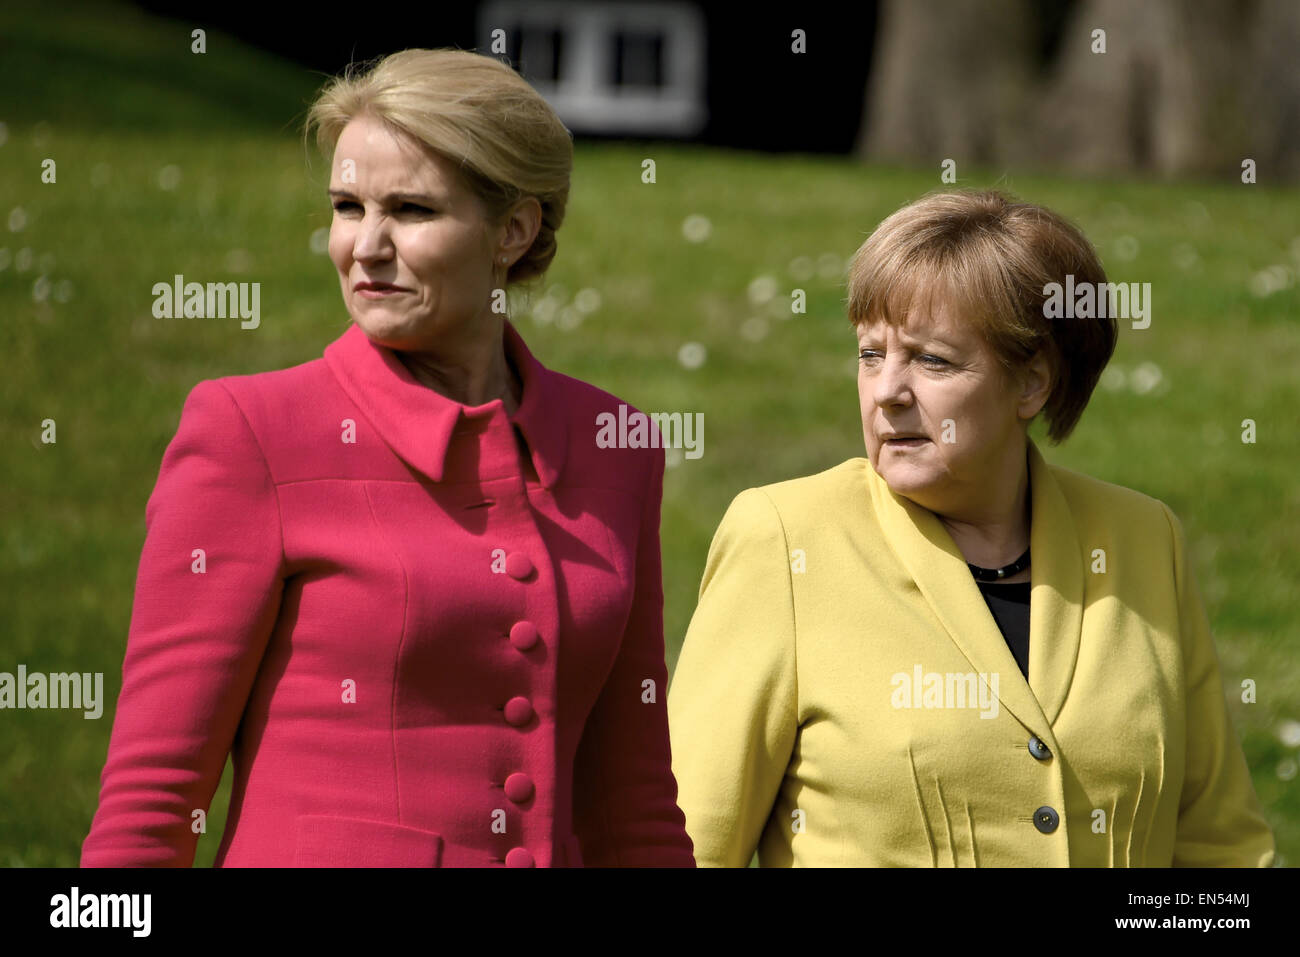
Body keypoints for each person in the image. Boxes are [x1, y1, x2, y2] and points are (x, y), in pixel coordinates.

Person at [81, 48, 694, 868]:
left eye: (410, 209)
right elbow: (151, 799)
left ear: (514, 229)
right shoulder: (250, 431)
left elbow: (635, 802)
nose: (364, 245)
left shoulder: (616, 445)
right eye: (346, 206)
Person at [667, 189, 1275, 867]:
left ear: (1031, 383)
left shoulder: (1142, 539)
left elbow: (1223, 852)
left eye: (931, 360)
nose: (887, 390)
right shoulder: (783, 540)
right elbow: (687, 845)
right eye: (871, 354)